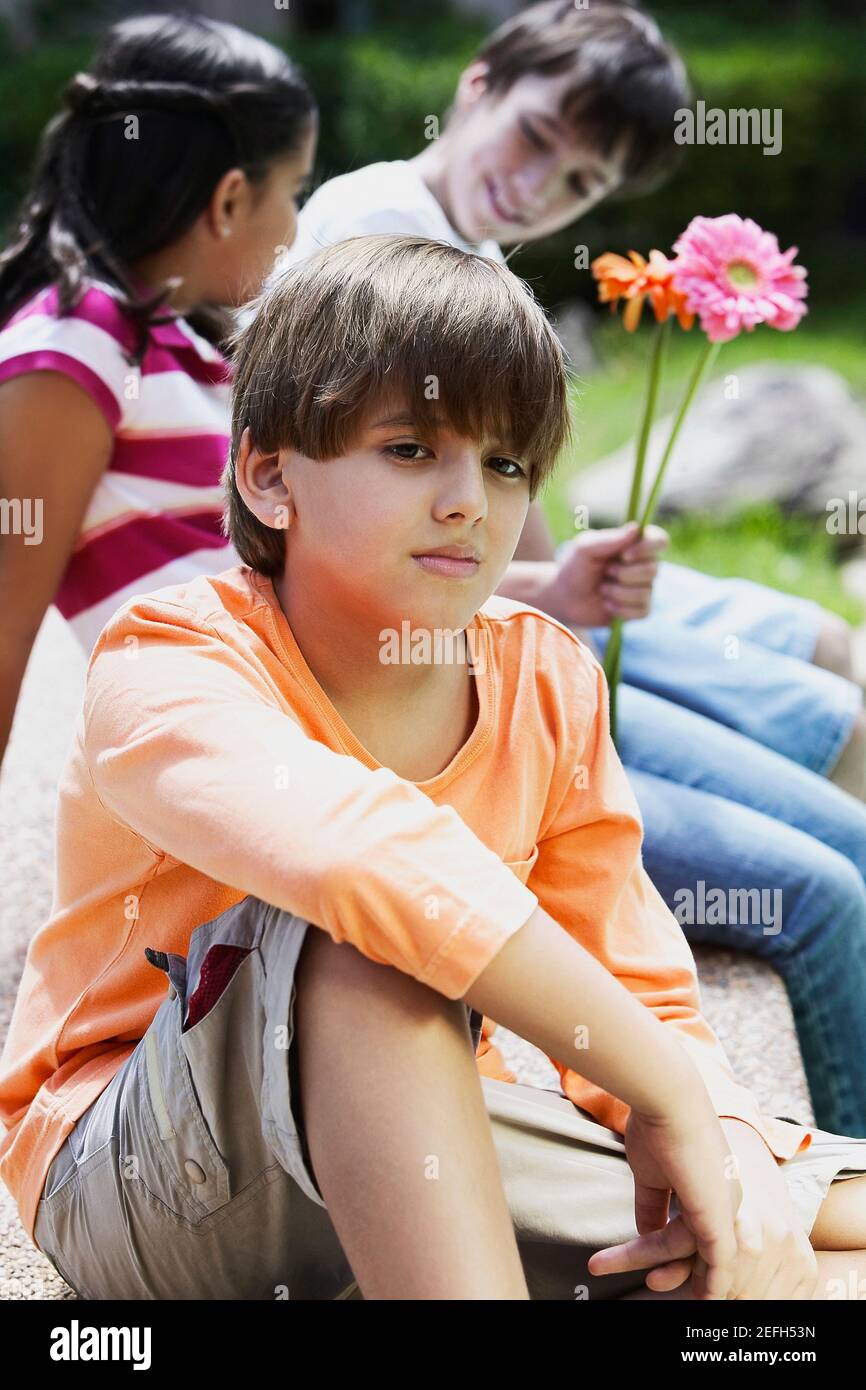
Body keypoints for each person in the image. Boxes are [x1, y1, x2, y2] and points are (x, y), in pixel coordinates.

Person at [3, 235, 866, 1301]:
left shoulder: (544, 677)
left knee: (792, 1231)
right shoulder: (172, 659)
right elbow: (364, 858)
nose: (469, 500)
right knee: (364, 944)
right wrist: (665, 1095)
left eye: (505, 464)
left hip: (419, 1130)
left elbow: (639, 980)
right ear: (270, 474)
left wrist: (723, 1140)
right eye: (411, 449)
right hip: (145, 1171)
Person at [269, 0, 866, 1134]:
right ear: (482, 81)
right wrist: (551, 590)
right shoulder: (384, 243)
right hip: (448, 698)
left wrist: (560, 584)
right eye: (540, 137)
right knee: (826, 863)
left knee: (824, 758)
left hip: (505, 655)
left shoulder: (463, 246)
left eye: (581, 182)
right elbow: (408, 555)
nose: (545, 186)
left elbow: (499, 559)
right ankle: (829, 1189)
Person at [0, 11, 317, 766]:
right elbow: (5, 619)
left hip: (321, 742)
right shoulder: (75, 347)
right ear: (231, 199)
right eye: (295, 191)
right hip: (250, 779)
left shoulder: (183, 342)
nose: (297, 224)